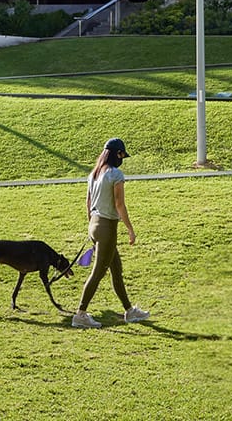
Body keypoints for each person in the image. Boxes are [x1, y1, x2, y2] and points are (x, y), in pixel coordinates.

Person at [72, 137, 148, 328]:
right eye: (122, 154)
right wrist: (130, 229)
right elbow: (119, 204)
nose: (123, 157)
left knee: (116, 270)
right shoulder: (115, 174)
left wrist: (92, 227)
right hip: (107, 228)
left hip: (95, 224)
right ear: (116, 154)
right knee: (97, 273)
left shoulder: (94, 174)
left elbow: (88, 204)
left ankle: (129, 311)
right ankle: (80, 314)